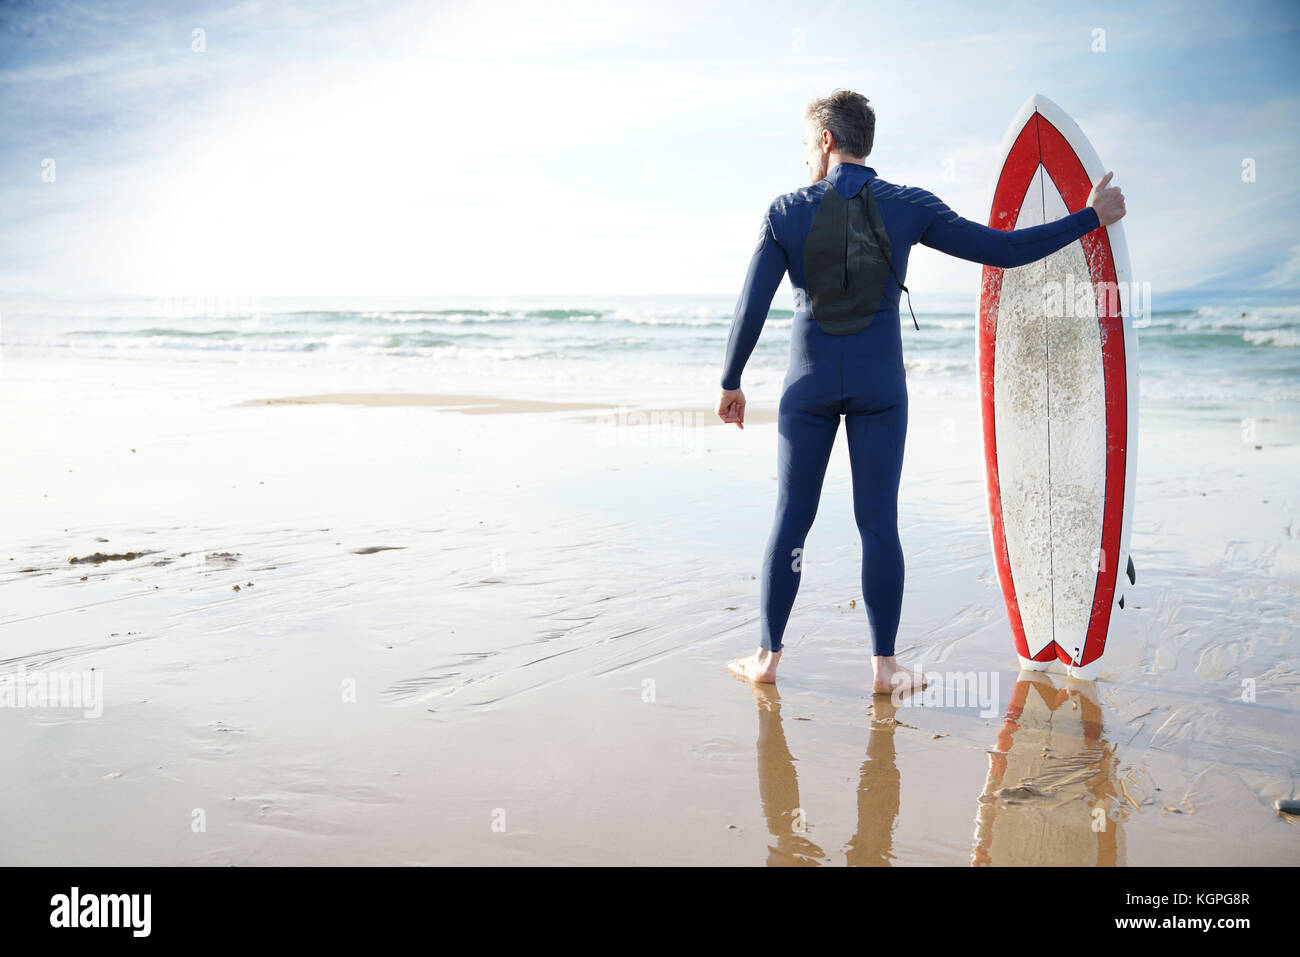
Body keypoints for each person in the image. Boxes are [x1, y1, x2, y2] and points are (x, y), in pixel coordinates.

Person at [719, 90, 1127, 690]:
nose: (806, 155)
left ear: (827, 140)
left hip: (805, 388)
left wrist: (731, 382)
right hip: (879, 387)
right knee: (878, 522)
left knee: (791, 520)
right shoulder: (909, 205)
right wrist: (1091, 216)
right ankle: (885, 668)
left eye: (807, 143)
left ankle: (767, 661)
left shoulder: (786, 210)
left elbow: (749, 308)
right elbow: (1005, 251)